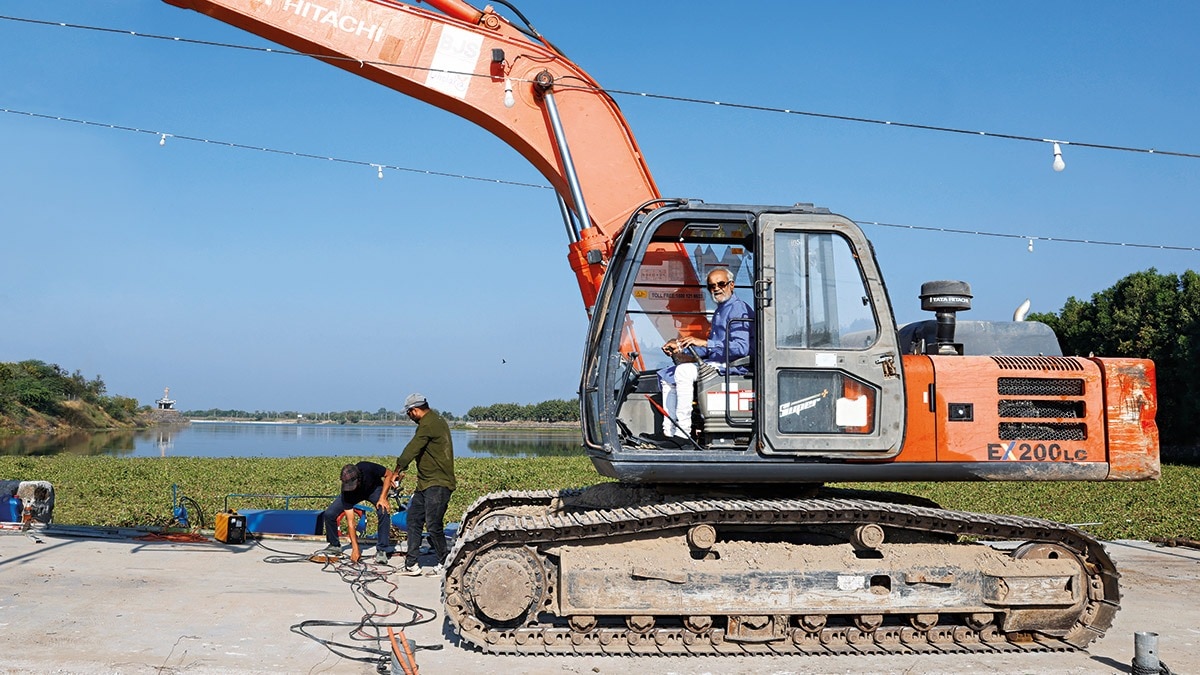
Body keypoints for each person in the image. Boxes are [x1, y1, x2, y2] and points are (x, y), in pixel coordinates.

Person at [659, 267, 755, 438]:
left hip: (734, 366)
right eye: (712, 286)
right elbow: (711, 349)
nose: (716, 288)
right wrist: (681, 348)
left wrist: (704, 342)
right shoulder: (721, 309)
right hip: (717, 363)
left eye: (721, 284)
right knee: (666, 376)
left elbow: (741, 348)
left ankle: (684, 433)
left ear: (731, 285)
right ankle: (669, 432)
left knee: (683, 372)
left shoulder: (738, 309)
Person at [389, 393, 456, 577]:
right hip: (425, 483)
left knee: (434, 524)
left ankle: (446, 563)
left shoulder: (428, 424)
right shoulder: (434, 420)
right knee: (413, 519)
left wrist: (397, 471)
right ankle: (412, 564)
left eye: (409, 413)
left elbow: (411, 449)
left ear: (415, 410)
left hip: (438, 483)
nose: (409, 417)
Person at [320, 461, 392, 564]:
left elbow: (389, 474)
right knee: (329, 514)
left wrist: (383, 498)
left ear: (358, 478)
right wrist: (355, 548)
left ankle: (382, 550)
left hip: (373, 490)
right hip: (355, 495)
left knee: (383, 511)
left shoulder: (367, 467)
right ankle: (334, 545)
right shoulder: (347, 492)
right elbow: (351, 522)